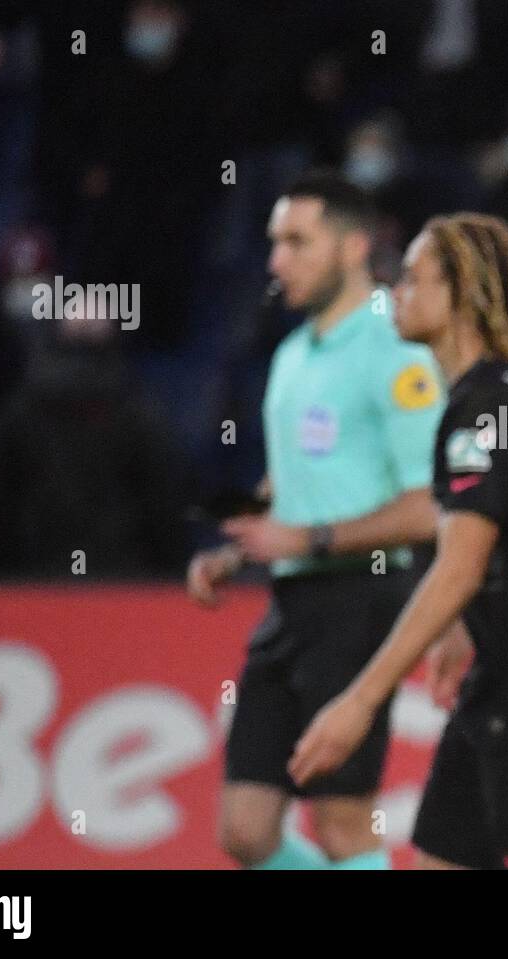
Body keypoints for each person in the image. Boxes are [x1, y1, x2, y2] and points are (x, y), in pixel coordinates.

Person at [287, 213, 508, 869]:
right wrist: (462, 628)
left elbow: (459, 568)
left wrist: (359, 700)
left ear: (462, 293)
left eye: (412, 276)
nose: (395, 291)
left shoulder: (483, 408)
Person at [186, 170, 443, 870]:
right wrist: (238, 548)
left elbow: (430, 504)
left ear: (353, 246)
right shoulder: (292, 354)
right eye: (273, 242)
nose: (275, 261)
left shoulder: (395, 346)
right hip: (292, 601)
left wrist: (307, 537)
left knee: (341, 824)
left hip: (363, 598)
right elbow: (292, 475)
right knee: (245, 828)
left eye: (297, 242)